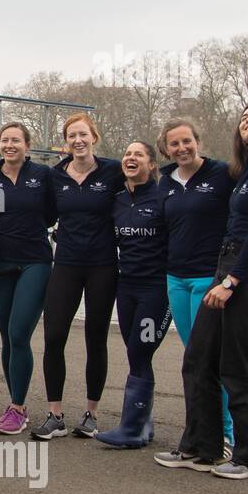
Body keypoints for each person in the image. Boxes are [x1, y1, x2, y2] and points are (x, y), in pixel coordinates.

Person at [156, 103, 248, 479]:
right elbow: (247, 221)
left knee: (240, 368)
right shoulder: (245, 171)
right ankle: (202, 448)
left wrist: (231, 281)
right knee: (199, 359)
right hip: (228, 268)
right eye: (245, 117)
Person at [33, 113, 122, 440]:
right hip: (66, 265)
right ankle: (55, 414)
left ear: (93, 137)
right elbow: (39, 215)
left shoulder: (112, 171)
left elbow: (145, 190)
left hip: (102, 266)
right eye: (72, 136)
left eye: (83, 135)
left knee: (95, 338)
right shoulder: (55, 177)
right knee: (53, 336)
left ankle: (91, 414)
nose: (78, 141)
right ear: (66, 142)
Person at [95, 141, 170, 448]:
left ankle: (130, 428)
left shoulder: (165, 197)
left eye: (139, 154)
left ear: (152, 164)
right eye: (127, 154)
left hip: (158, 288)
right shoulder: (118, 201)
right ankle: (143, 425)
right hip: (127, 287)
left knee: (140, 351)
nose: (131, 158)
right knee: (134, 351)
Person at [0, 123, 55, 435]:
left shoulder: (43, 174)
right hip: (1, 264)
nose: (9, 145)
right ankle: (16, 406)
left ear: (27, 144)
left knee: (18, 334)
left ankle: (18, 406)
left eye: (15, 140)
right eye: (4, 140)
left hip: (35, 262)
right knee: (6, 337)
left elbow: (53, 214)